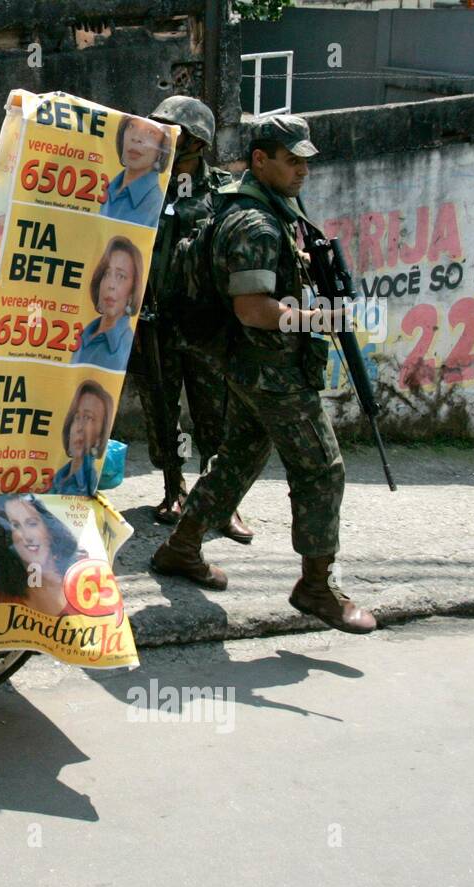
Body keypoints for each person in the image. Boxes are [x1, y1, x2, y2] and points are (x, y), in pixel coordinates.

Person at [150, 116, 377, 634]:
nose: (302, 171)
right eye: (291, 160)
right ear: (260, 159)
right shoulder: (255, 223)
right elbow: (252, 308)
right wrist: (318, 318)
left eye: (305, 162)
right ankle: (315, 587)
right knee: (321, 468)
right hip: (270, 368)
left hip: (252, 364)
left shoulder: (269, 206)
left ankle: (181, 548)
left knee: (239, 458)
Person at [130, 94, 253, 542]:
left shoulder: (223, 191)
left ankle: (221, 500)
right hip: (153, 323)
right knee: (160, 412)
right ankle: (172, 489)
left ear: (196, 143)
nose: (159, 138)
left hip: (205, 327)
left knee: (214, 417)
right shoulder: (138, 187)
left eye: (172, 132)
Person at [0, 495, 80, 615]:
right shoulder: (3, 591)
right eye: (15, 526)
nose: (27, 536)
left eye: (32, 523)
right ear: (3, 539)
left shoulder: (83, 571)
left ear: (49, 529)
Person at [71, 236, 142, 371]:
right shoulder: (85, 332)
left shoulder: (126, 348)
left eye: (121, 276)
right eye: (107, 274)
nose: (111, 285)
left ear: (132, 291)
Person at [99, 114, 171, 228]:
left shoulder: (156, 205)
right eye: (131, 126)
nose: (136, 138)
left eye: (150, 132)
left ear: (161, 150)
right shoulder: (110, 187)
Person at [49, 381, 114, 495]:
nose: (79, 428)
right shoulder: (59, 476)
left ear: (101, 435)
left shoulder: (84, 486)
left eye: (88, 418)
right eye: (77, 417)